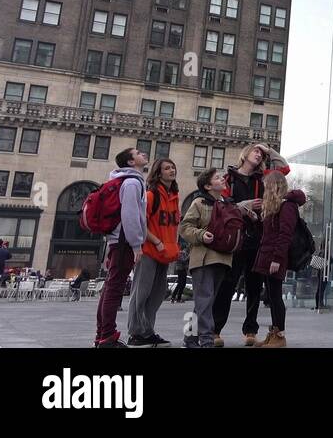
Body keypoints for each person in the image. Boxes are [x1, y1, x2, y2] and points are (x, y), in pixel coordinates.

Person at [213, 143, 290, 347]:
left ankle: (250, 331)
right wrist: (242, 206)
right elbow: (221, 205)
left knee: (254, 287)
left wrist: (268, 150)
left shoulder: (262, 177)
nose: (258, 154)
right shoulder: (228, 178)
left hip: (257, 239)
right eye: (255, 151)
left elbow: (284, 169)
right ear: (245, 155)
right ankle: (215, 330)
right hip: (235, 240)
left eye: (260, 153)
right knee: (227, 285)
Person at [180, 168, 245, 348]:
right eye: (217, 178)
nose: (222, 179)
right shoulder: (199, 203)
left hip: (223, 258)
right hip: (203, 258)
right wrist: (201, 235)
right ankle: (206, 340)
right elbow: (184, 227)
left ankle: (189, 338)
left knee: (204, 302)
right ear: (208, 186)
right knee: (205, 301)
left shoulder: (229, 204)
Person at [94, 147, 149, 348]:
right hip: (124, 242)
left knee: (110, 287)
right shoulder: (133, 182)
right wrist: (137, 245)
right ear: (131, 162)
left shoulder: (124, 180)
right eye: (138, 153)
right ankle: (107, 337)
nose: (143, 154)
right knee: (114, 289)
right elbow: (130, 215)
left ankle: (102, 335)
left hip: (117, 241)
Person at [127, 158, 180, 347]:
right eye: (167, 168)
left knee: (157, 294)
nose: (171, 170)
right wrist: (157, 241)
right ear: (159, 173)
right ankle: (135, 332)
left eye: (173, 167)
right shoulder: (150, 195)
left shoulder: (174, 196)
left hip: (165, 254)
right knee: (141, 293)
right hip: (150, 251)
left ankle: (147, 331)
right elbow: (141, 223)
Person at [252, 171, 304, 348]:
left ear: (275, 185)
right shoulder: (276, 205)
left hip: (275, 257)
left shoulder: (287, 206)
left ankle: (280, 335)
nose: (265, 188)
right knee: (271, 296)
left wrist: (277, 259)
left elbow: (285, 235)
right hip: (267, 255)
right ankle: (274, 332)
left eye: (268, 185)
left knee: (275, 296)